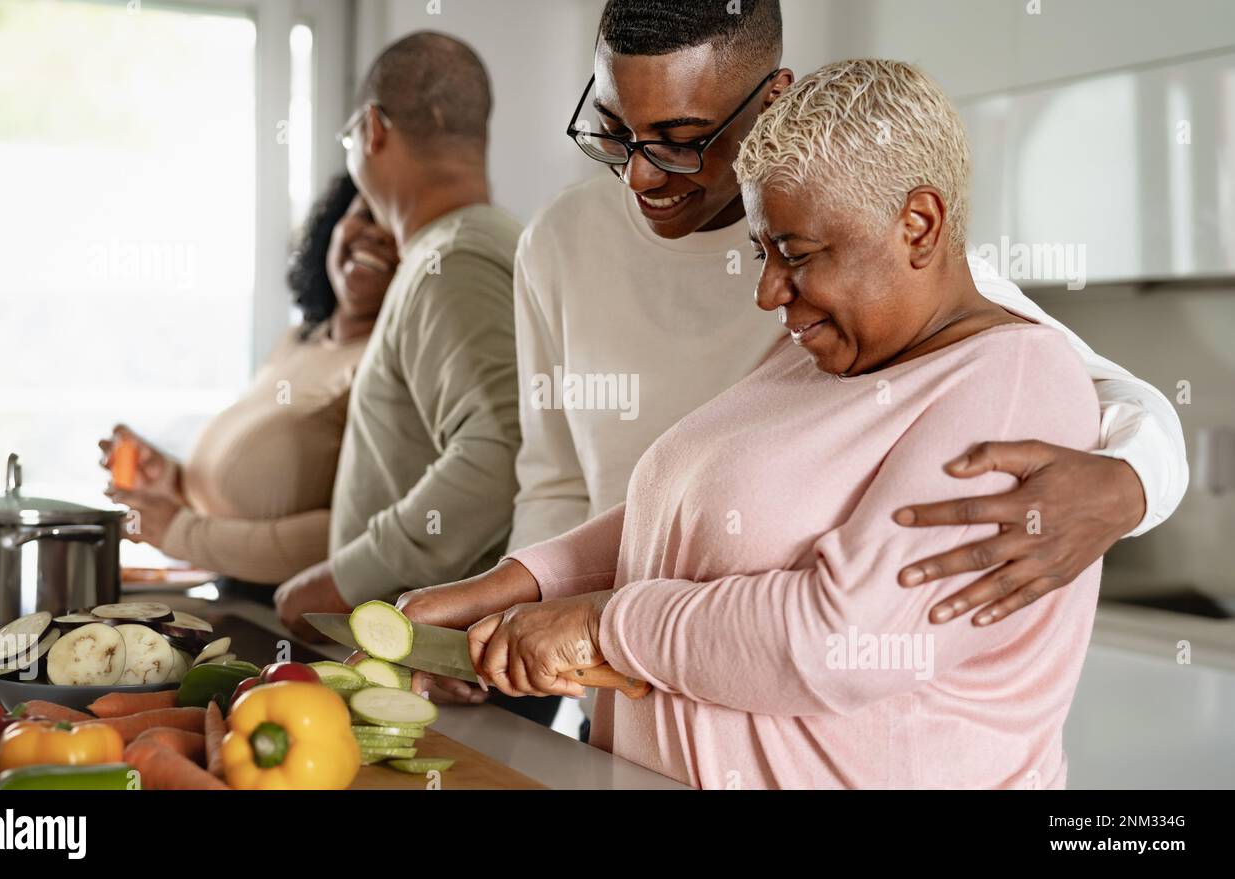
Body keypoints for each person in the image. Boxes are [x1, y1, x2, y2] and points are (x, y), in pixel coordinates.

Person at [397, 1, 1187, 717]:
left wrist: (1130, 485)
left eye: (679, 141)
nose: (640, 174)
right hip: (605, 685)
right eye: (616, 131)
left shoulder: (887, 278)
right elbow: (558, 481)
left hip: (705, 672)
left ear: (774, 99)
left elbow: (1099, 392)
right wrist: (507, 622)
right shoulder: (559, 244)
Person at [459, 58, 1105, 789]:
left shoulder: (1014, 384)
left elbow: (842, 639)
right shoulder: (816, 355)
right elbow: (679, 513)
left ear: (918, 226)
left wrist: (598, 625)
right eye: (761, 252)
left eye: (795, 255)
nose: (768, 292)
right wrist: (519, 585)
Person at [272, 33, 525, 658]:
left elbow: (498, 452)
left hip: (434, 665)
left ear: (373, 130)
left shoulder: (453, 260)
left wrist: (345, 581)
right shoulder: (483, 244)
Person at [100, 174, 396, 585]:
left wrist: (179, 531)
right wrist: (172, 484)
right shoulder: (299, 341)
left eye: (397, 227)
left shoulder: (385, 364)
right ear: (332, 228)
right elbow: (248, 500)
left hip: (291, 616)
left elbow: (353, 538)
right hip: (230, 593)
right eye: (365, 214)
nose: (378, 236)